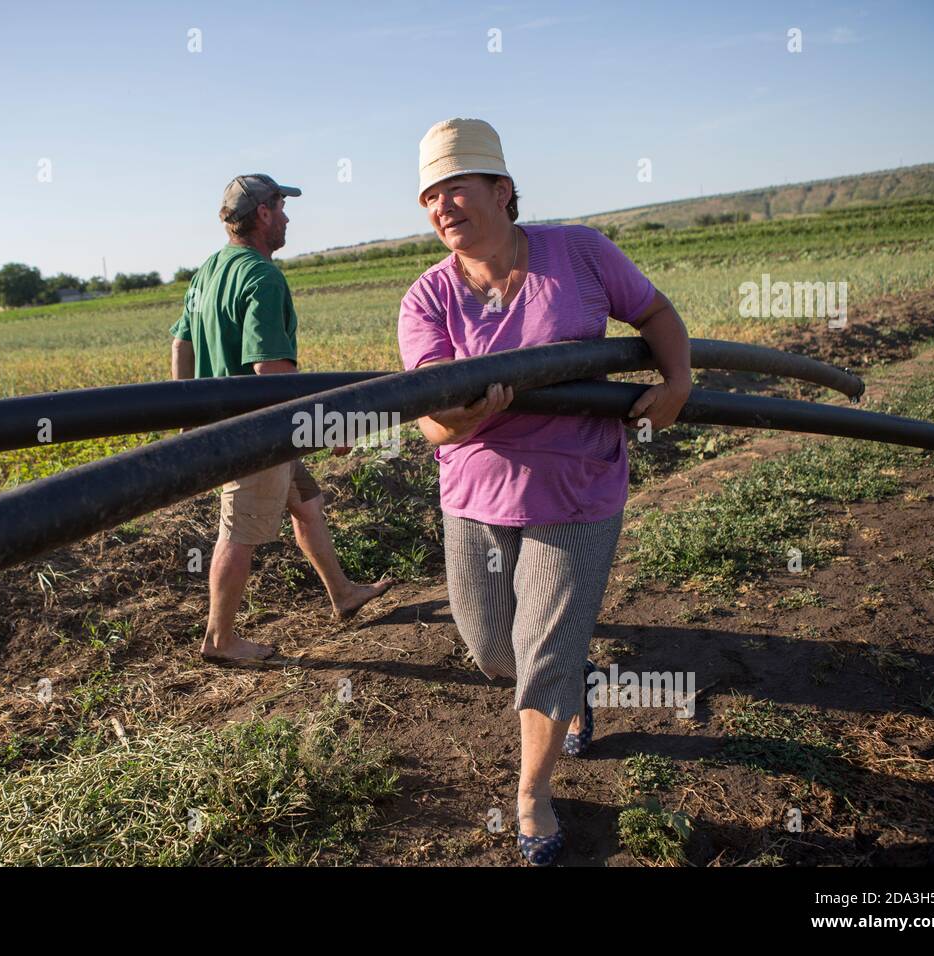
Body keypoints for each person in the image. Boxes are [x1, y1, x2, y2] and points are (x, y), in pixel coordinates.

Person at [396, 119, 692, 865]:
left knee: (546, 653)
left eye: (455, 188)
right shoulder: (426, 298)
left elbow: (654, 313)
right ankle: (576, 686)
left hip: (577, 489)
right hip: (475, 495)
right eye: (430, 196)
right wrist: (470, 415)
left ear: (501, 191)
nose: (441, 206)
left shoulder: (580, 254)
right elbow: (432, 424)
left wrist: (678, 379)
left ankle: (533, 793)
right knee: (495, 650)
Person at [170, 174, 393, 663]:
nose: (288, 216)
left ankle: (343, 593)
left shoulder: (207, 270)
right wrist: (328, 423)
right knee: (239, 531)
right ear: (264, 213)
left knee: (307, 503)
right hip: (256, 432)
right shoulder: (262, 275)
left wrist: (187, 417)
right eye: (282, 206)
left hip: (229, 425)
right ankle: (220, 640)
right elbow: (271, 370)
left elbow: (181, 342)